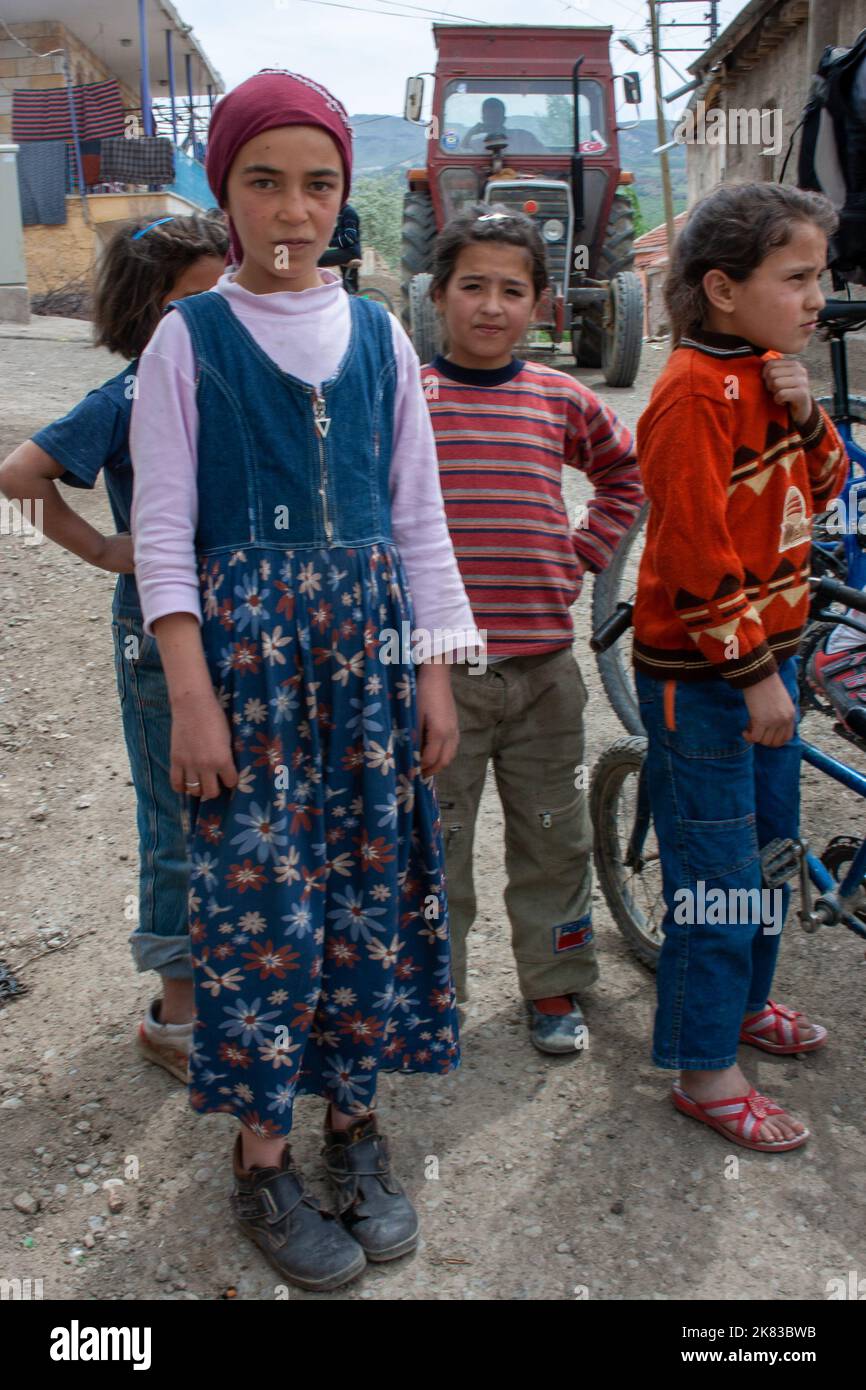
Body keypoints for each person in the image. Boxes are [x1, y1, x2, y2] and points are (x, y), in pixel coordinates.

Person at [129, 69, 481, 1292]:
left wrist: (435, 672)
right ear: (223, 190)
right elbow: (162, 535)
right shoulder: (189, 338)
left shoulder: (382, 336)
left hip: (371, 669)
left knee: (372, 896)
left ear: (346, 195)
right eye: (264, 181)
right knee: (263, 917)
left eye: (319, 183)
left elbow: (418, 519)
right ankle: (262, 1159)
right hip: (252, 680)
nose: (293, 209)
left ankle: (354, 1128)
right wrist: (190, 696)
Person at [633, 182, 847, 1152]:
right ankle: (702, 1068)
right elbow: (691, 555)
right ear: (723, 289)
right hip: (707, 684)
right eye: (795, 278)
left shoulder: (769, 372)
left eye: (819, 277)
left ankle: (745, 1009)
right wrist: (756, 675)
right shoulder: (689, 394)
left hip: (769, 669)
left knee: (768, 852)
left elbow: (828, 487)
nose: (815, 299)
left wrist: (806, 414)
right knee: (716, 881)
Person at [0, 212, 228, 1083]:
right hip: (157, 640)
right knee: (177, 819)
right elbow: (19, 475)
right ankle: (178, 1017)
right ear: (146, 312)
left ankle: (234, 977)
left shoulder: (233, 383)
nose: (212, 317)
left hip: (240, 635)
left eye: (224, 296)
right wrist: (101, 548)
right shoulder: (130, 396)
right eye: (190, 302)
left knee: (238, 809)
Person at [424, 205, 643, 1053]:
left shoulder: (560, 397)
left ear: (542, 303)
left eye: (512, 290)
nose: (491, 306)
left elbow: (626, 475)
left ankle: (554, 987)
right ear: (438, 295)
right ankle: (431, 995)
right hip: (439, 675)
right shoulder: (407, 398)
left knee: (555, 835)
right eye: (472, 286)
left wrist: (582, 553)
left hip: (546, 670)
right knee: (434, 841)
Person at [461, 97, 546, 154]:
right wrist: (470, 133)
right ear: (483, 120)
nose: (492, 122)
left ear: (503, 119)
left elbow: (544, 156)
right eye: (489, 118)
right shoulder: (477, 143)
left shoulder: (524, 138)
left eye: (496, 118)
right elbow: (461, 154)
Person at [318, 200, 361, 291]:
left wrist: (329, 242)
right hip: (345, 251)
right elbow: (334, 234)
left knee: (317, 259)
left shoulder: (349, 213)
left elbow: (350, 239)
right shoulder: (342, 214)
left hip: (350, 252)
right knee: (349, 288)